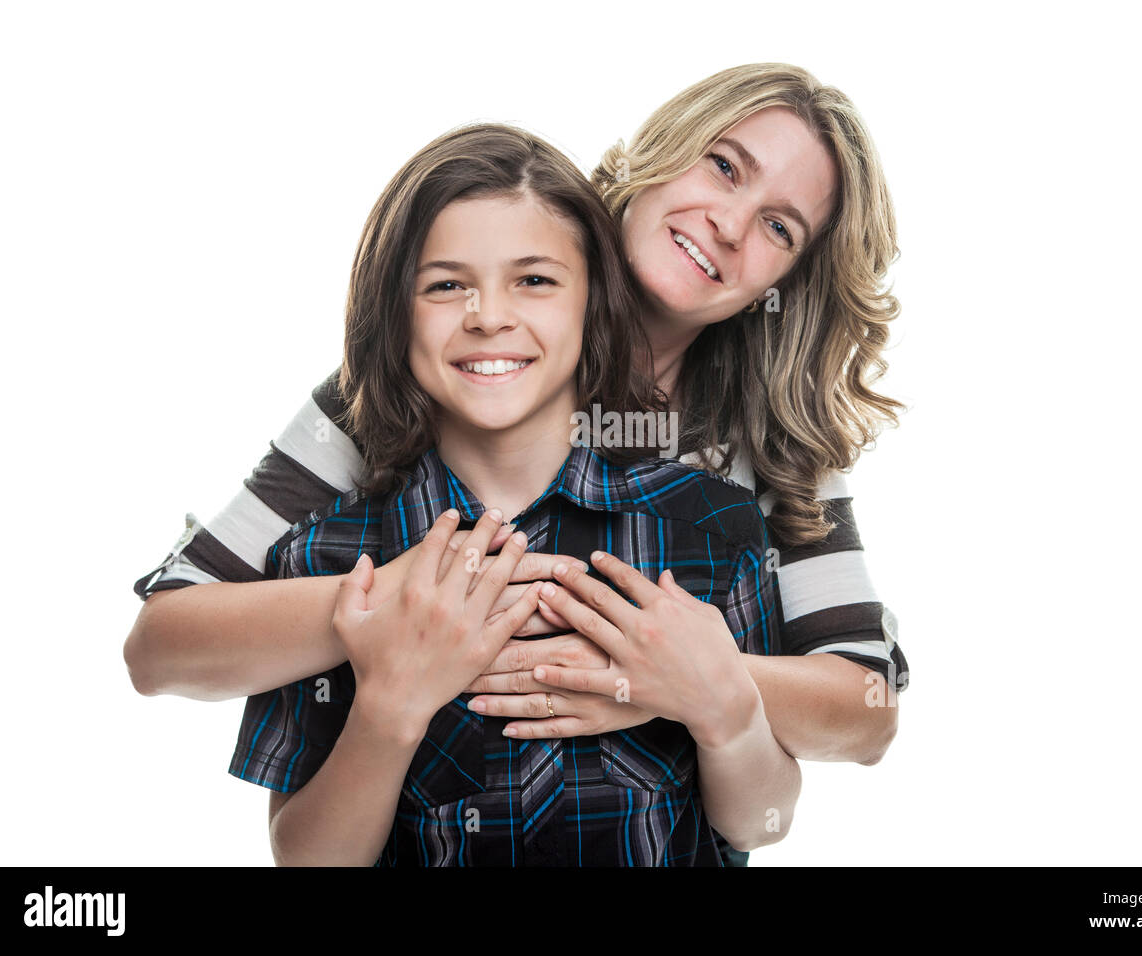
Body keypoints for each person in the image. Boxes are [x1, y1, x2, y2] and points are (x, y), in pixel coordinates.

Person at [125, 62, 909, 861]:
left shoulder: (765, 447)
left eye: (780, 227)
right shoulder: (418, 375)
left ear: (789, 281)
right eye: (723, 165)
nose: (731, 225)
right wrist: (395, 610)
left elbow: (867, 708)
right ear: (663, 148)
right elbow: (162, 643)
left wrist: (659, 674)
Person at [233, 122, 797, 866]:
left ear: (594, 304)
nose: (489, 315)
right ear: (393, 311)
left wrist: (726, 709)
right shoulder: (323, 557)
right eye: (445, 285)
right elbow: (307, 859)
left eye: (534, 280)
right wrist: (389, 711)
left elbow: (762, 823)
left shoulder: (715, 529)